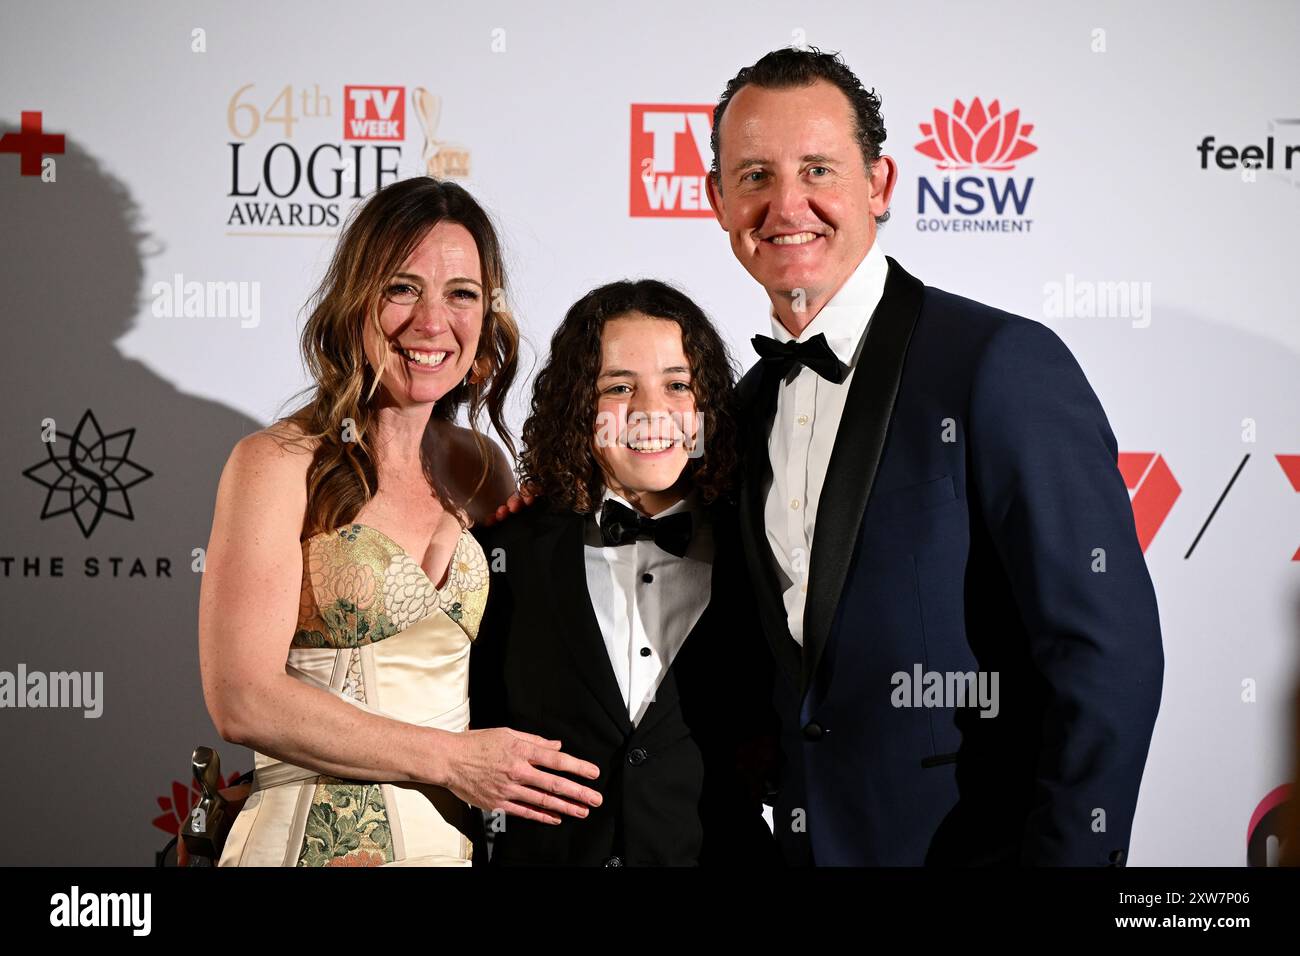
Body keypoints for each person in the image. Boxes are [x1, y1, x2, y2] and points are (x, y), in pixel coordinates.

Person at [702, 47, 1165, 865]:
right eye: (753, 176)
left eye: (818, 169)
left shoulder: (998, 363)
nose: (786, 204)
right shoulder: (743, 408)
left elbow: (1104, 654)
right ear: (715, 200)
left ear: (879, 186)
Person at [198, 176, 602, 867]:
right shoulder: (275, 463)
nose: (431, 322)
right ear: (356, 299)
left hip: (451, 850)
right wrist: (451, 761)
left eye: (462, 294)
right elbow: (243, 699)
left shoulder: (481, 469)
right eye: (402, 288)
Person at [470, 279, 779, 866]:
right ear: (578, 407)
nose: (649, 412)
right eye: (618, 387)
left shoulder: (765, 551)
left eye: (677, 385)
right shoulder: (506, 552)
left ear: (708, 404)